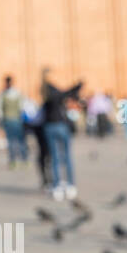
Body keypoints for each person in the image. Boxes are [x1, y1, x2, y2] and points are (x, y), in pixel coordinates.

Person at [40, 68, 83, 199]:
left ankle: (58, 185)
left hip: (49, 127)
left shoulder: (45, 92)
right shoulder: (52, 92)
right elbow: (64, 94)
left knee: (55, 158)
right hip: (60, 126)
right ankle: (68, 185)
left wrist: (75, 88)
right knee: (65, 157)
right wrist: (76, 87)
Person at [0, 76, 27, 168]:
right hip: (14, 120)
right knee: (17, 140)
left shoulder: (5, 94)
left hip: (11, 119)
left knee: (14, 141)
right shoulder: (13, 93)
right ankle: (21, 160)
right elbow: (22, 107)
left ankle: (16, 160)